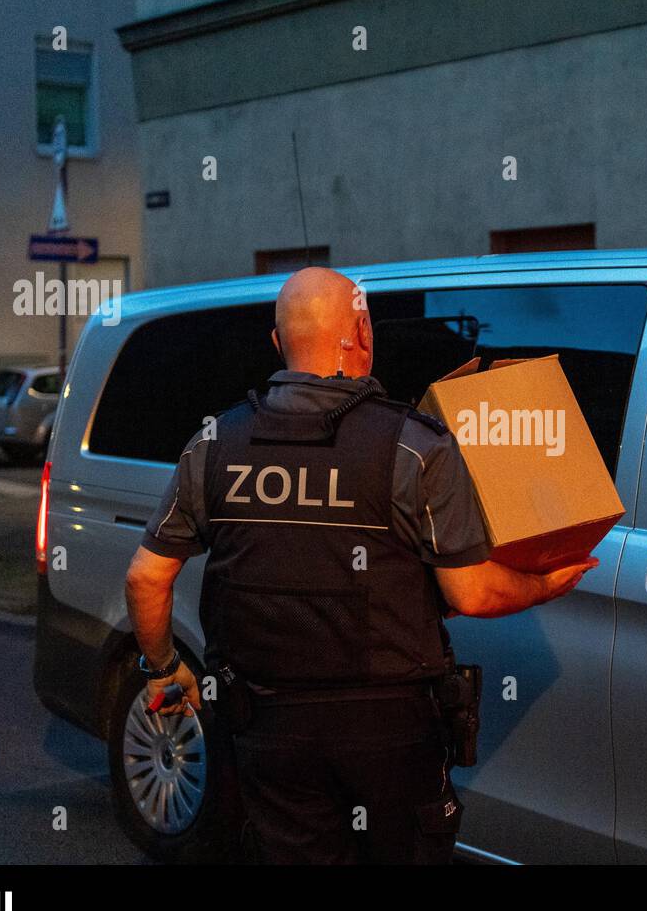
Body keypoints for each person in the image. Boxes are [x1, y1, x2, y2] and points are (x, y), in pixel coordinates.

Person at [124, 267, 596, 863]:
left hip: (267, 728)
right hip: (390, 735)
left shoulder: (213, 443)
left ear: (278, 343)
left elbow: (146, 577)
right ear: (362, 335)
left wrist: (164, 671)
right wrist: (542, 584)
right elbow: (473, 593)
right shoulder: (414, 447)